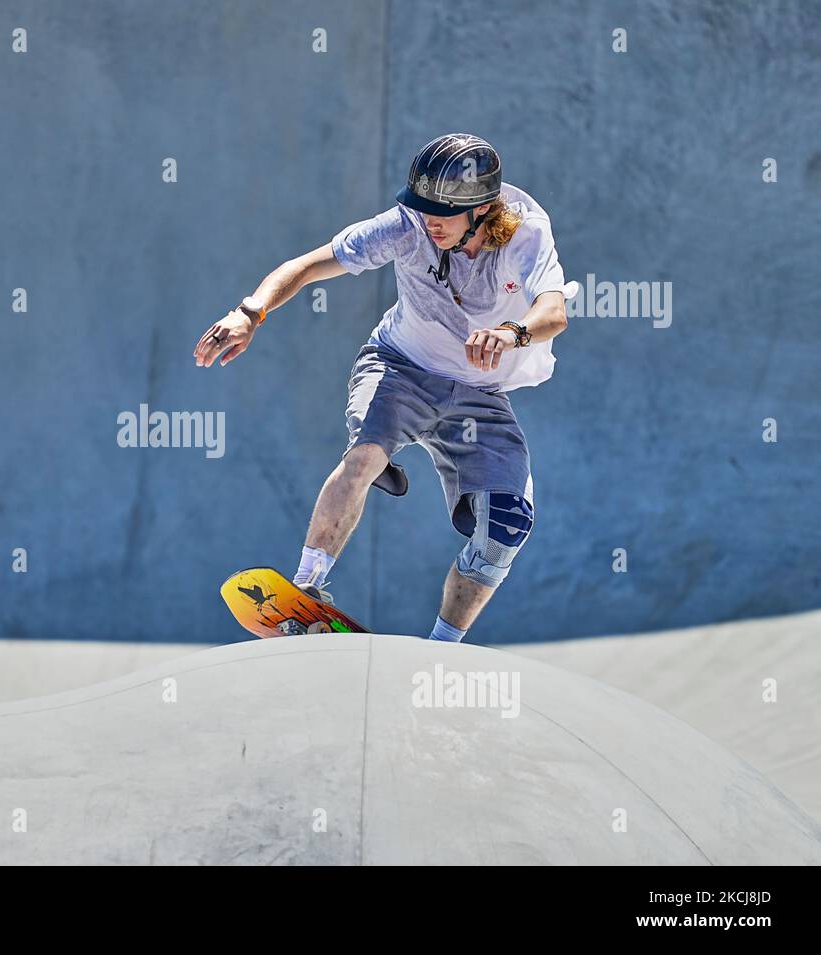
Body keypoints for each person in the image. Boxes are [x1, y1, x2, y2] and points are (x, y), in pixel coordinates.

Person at [193, 133, 570, 643]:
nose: (429, 220)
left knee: (506, 528)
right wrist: (250, 312)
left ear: (482, 210)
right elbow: (307, 266)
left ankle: (442, 649)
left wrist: (511, 334)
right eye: (422, 207)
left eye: (442, 211)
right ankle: (307, 593)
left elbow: (553, 311)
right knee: (367, 454)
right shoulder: (408, 227)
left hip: (481, 396)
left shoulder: (525, 235)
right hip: (400, 368)